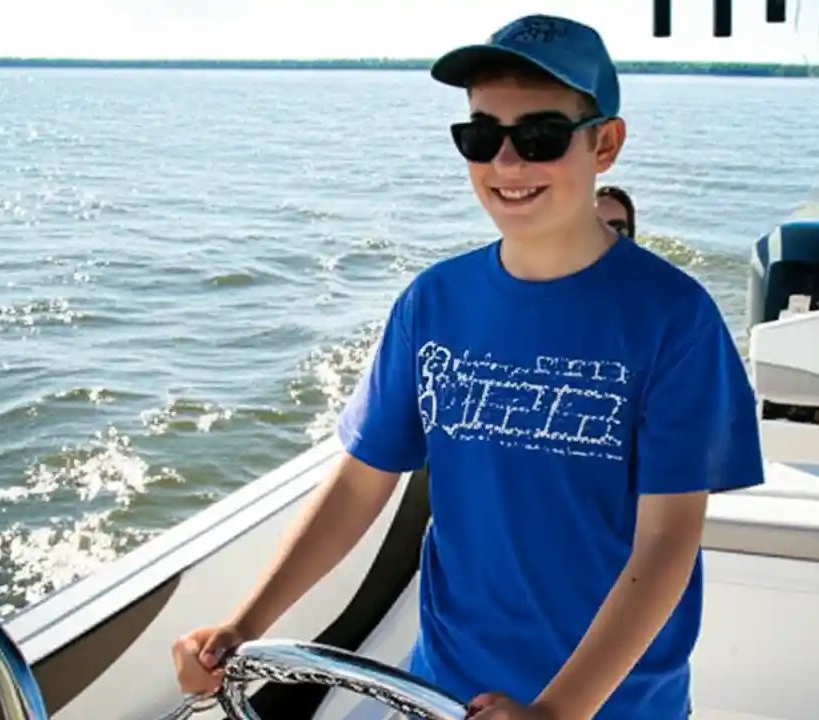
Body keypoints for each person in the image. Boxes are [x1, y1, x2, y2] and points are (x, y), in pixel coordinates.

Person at [171, 13, 764, 720]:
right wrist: (245, 623)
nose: (507, 165)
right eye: (481, 138)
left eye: (541, 137)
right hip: (438, 690)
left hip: (613, 704)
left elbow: (668, 540)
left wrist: (558, 710)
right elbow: (360, 483)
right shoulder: (433, 303)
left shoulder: (675, 318)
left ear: (605, 144)